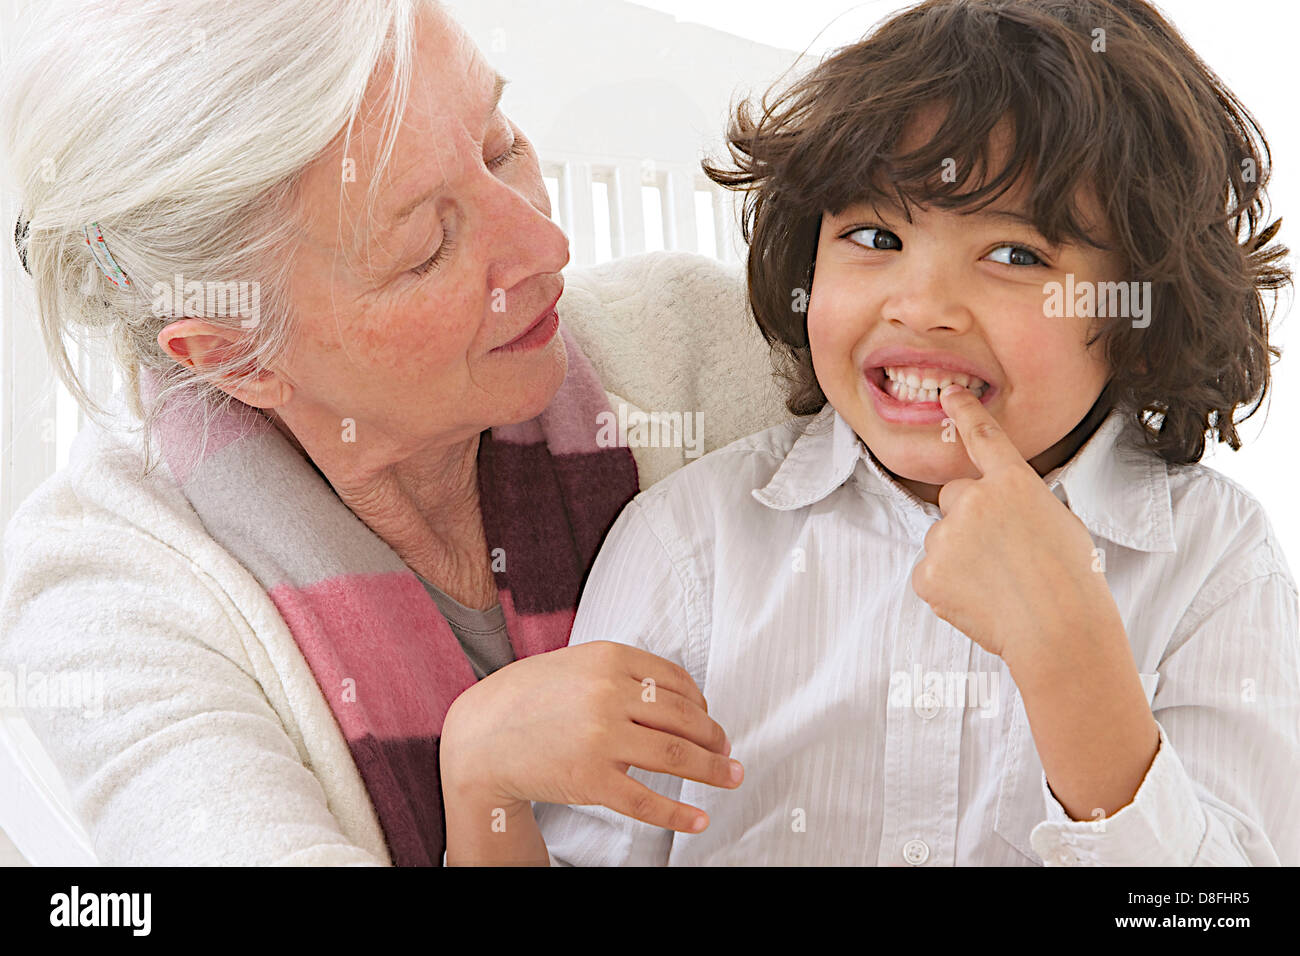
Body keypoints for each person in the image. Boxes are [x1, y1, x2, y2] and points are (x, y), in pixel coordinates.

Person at [446, 0, 1300, 865]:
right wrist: (482, 785)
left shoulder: (1214, 565)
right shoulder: (692, 543)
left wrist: (1078, 676)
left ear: (1139, 307)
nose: (921, 306)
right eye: (873, 234)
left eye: (1015, 255)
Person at [0, 0, 786, 865]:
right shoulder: (112, 596)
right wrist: (487, 795)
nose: (548, 244)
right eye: (424, 248)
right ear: (235, 356)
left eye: (501, 147)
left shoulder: (705, 350)